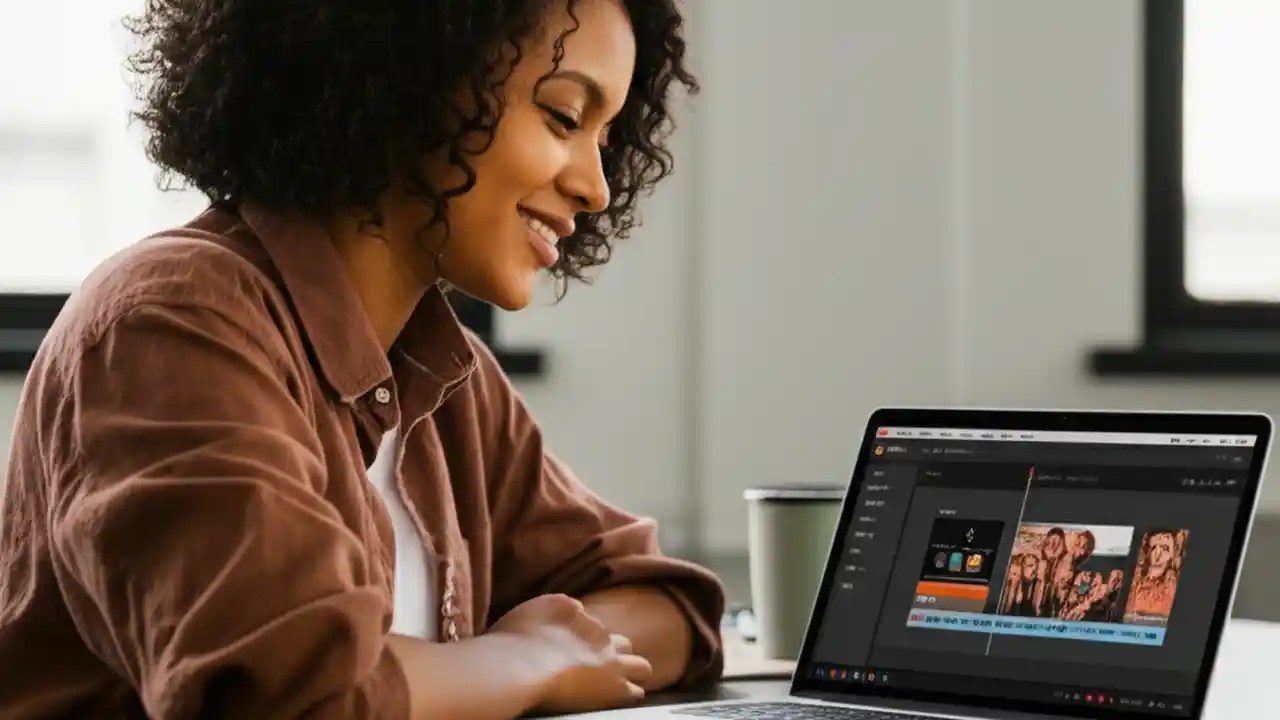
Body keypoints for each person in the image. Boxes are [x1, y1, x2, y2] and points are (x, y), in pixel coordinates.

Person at [0, 1, 723, 718]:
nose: (596, 187)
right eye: (564, 117)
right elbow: (295, 695)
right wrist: (530, 661)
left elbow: (669, 606)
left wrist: (525, 661)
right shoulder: (170, 326)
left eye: (607, 137)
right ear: (417, 73)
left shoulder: (448, 379)